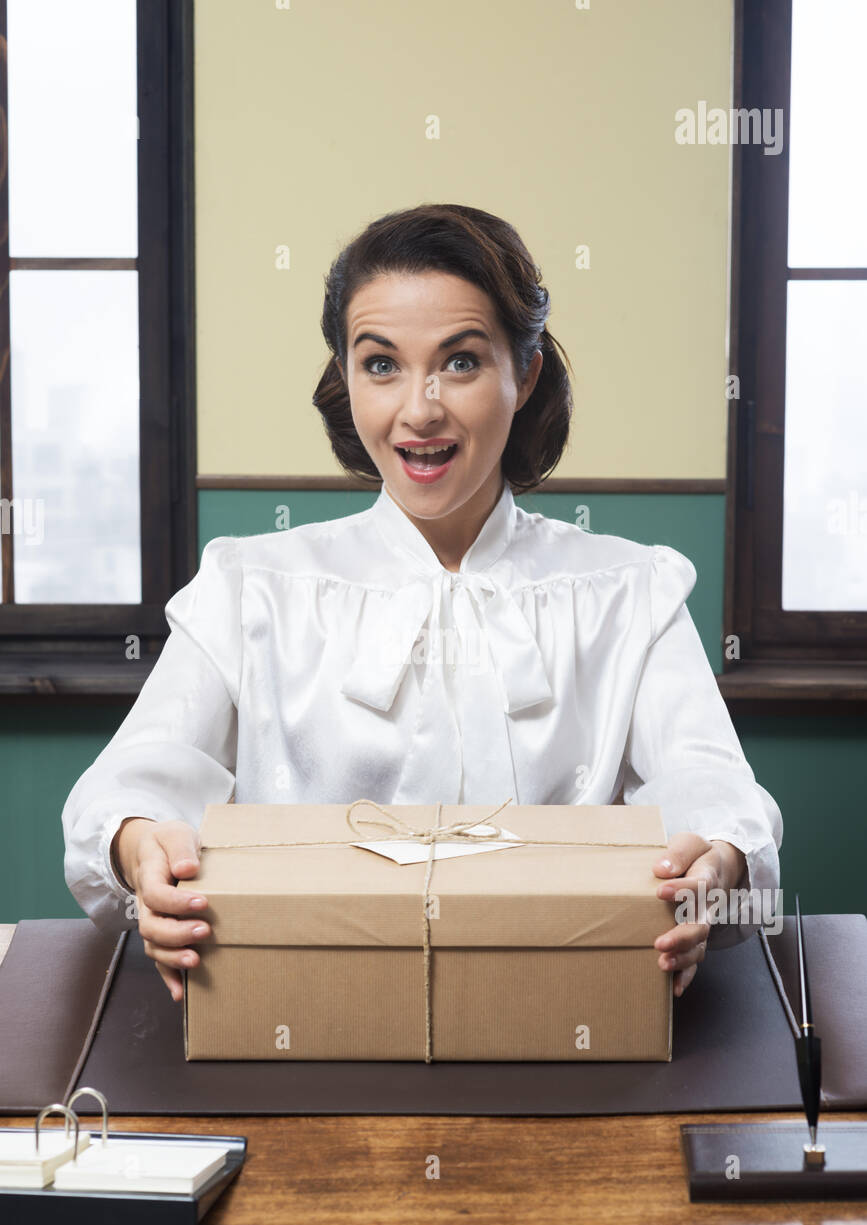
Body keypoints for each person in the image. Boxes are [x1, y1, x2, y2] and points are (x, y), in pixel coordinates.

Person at [62, 203, 782, 1006]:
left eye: (462, 362)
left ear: (525, 372)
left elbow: (708, 783)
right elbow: (127, 782)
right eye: (381, 365)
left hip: (567, 1023)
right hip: (298, 1021)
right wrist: (136, 846)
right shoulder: (250, 586)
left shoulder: (627, 591)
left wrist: (715, 860)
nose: (419, 409)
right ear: (345, 376)